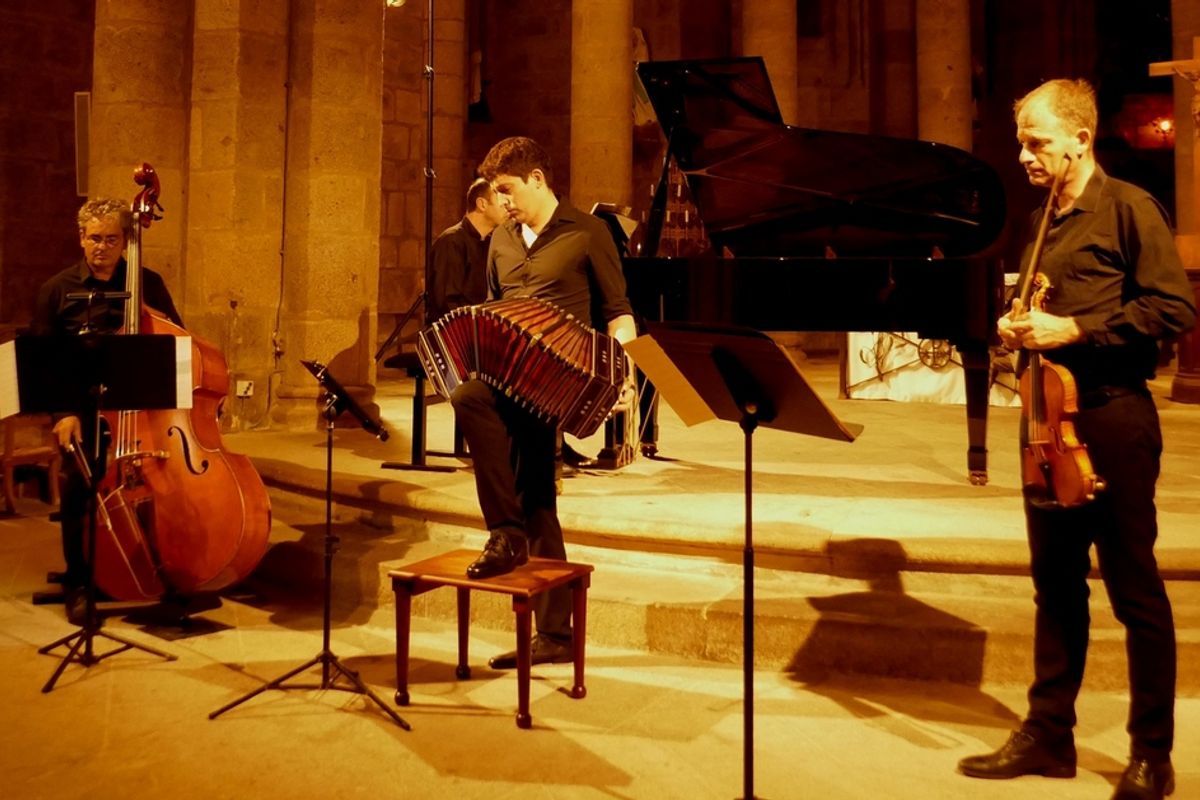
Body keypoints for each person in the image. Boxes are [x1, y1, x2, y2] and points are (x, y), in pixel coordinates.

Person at [957, 79, 1195, 800]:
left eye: (1037, 142)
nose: (1025, 155)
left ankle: (1151, 752)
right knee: (1054, 586)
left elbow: (1175, 306)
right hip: (1044, 421)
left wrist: (1079, 330)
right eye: (1022, 141)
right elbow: (1040, 308)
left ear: (1080, 139)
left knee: (1135, 592)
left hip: (1112, 417)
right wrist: (1018, 326)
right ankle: (1048, 733)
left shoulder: (1127, 209)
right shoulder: (1038, 223)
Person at [451, 136, 636, 668]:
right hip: (506, 375)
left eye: (508, 189)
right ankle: (550, 624)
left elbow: (618, 313)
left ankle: (511, 542)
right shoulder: (501, 241)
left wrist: (621, 371)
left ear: (537, 179)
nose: (503, 201)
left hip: (560, 379)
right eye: (496, 192)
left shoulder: (588, 233)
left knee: (534, 482)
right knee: (470, 399)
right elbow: (491, 309)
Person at [31, 198, 183, 624]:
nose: (102, 246)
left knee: (157, 490)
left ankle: (158, 571)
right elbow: (44, 362)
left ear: (125, 242)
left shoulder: (147, 284)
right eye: (94, 238)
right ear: (81, 239)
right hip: (80, 410)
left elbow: (176, 342)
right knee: (78, 485)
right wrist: (62, 414)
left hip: (139, 410)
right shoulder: (56, 291)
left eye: (111, 239)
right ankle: (79, 581)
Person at [427, 177, 509, 323]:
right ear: (482, 204)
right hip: (454, 336)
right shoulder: (451, 242)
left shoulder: (491, 243)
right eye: (500, 200)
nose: (506, 205)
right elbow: (446, 303)